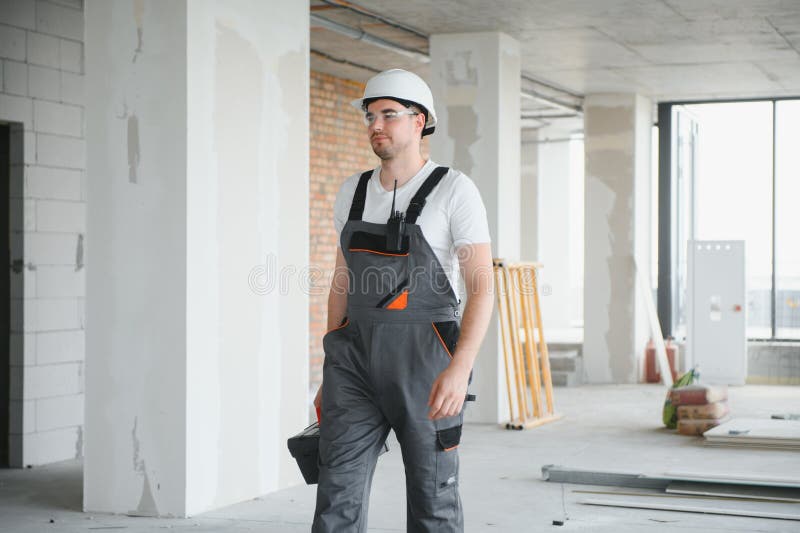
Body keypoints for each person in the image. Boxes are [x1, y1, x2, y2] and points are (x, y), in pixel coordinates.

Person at [312, 68, 494, 533]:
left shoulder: (455, 190)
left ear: (420, 121)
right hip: (353, 361)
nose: (376, 125)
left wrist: (458, 368)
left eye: (389, 114)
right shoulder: (352, 191)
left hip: (426, 362)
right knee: (336, 497)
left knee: (433, 498)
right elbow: (341, 280)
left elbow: (482, 287)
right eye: (370, 115)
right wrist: (330, 366)